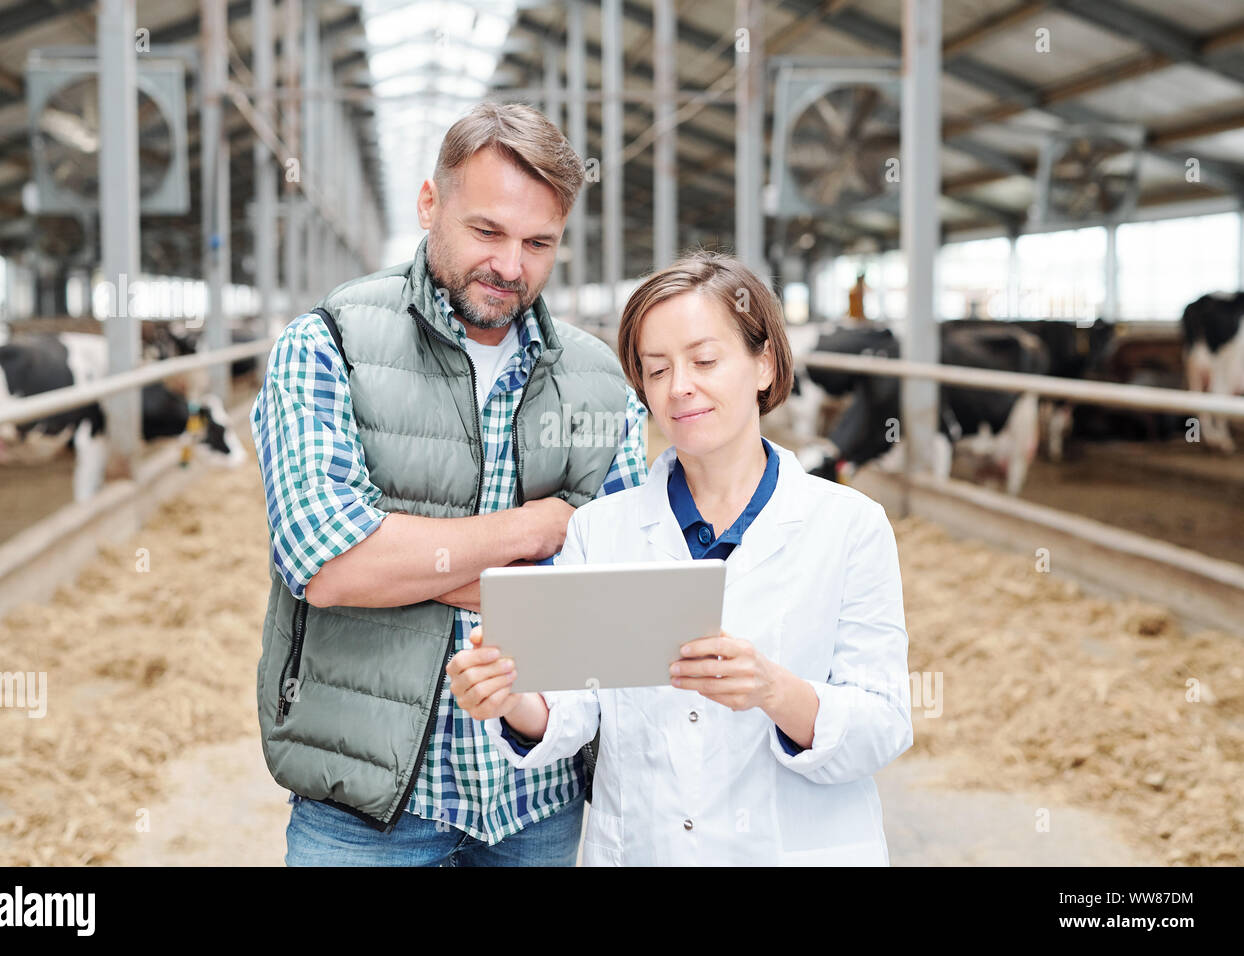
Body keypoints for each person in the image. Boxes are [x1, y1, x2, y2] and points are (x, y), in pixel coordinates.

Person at [250, 102, 648, 866]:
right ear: (430, 204)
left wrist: (406, 561)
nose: (510, 266)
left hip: (537, 800)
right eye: (487, 232)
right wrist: (541, 529)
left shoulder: (602, 384)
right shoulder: (326, 343)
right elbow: (329, 566)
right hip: (366, 807)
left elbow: (616, 597)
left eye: (539, 243)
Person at [449, 251, 913, 865]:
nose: (680, 387)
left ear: (764, 363)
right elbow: (573, 707)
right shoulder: (600, 531)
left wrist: (774, 690)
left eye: (705, 360)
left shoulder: (850, 526)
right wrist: (508, 698)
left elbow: (883, 725)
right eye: (657, 369)